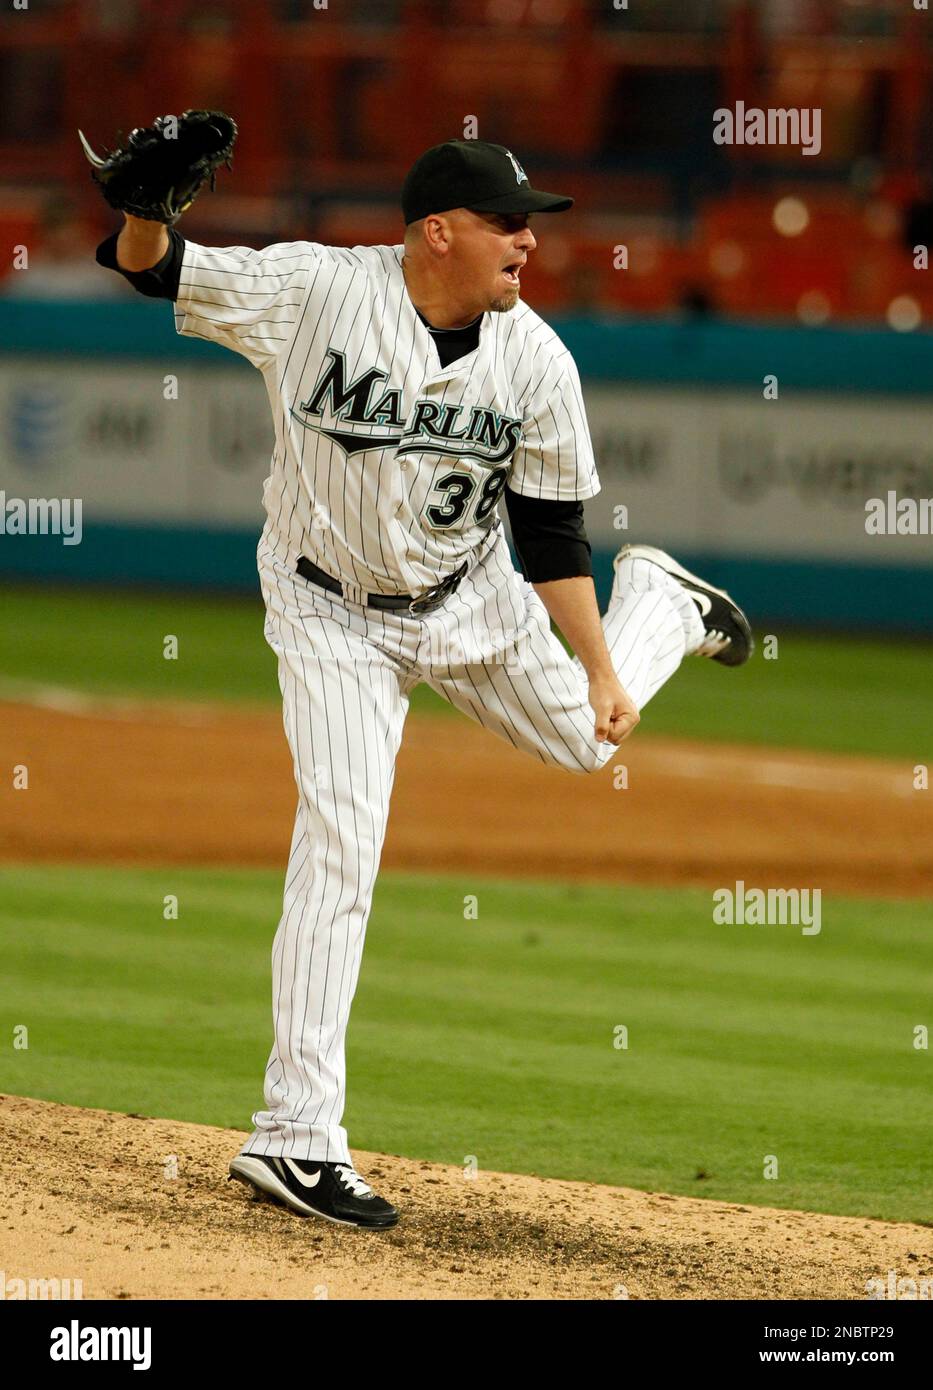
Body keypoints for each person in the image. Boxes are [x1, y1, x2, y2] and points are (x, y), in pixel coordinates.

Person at [96, 138, 753, 1230]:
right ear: (437, 230)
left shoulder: (535, 359)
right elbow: (153, 269)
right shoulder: (316, 290)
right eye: (508, 223)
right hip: (326, 608)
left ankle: (663, 608)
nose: (529, 240)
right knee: (341, 839)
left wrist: (598, 666)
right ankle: (295, 1137)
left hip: (468, 598)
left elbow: (548, 532)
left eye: (530, 222)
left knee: (590, 741)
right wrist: (141, 211)